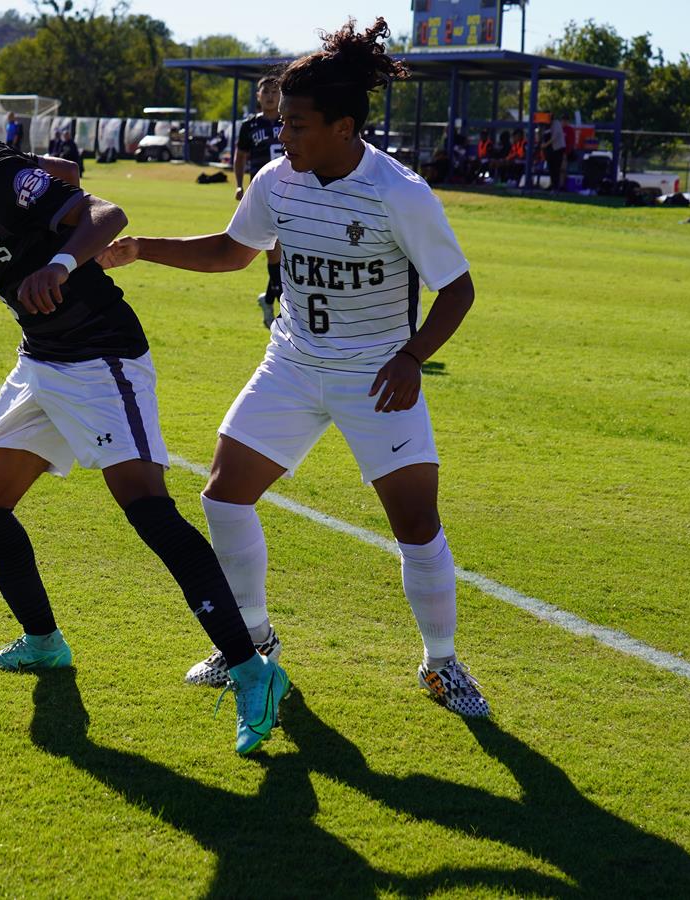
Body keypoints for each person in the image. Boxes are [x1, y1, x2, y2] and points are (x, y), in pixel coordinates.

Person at [0, 52, 289, 754]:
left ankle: (251, 670)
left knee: (149, 511)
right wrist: (53, 178)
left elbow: (104, 211)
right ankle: (43, 643)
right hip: (44, 361)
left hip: (101, 357)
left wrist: (60, 262)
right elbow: (55, 179)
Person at [100, 17, 489, 718]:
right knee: (223, 495)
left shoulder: (399, 193)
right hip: (293, 363)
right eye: (282, 124)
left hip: (376, 377)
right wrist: (142, 249)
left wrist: (410, 356)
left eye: (298, 126)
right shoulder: (281, 182)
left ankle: (441, 662)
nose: (283, 138)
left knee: (416, 525)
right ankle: (252, 643)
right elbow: (231, 251)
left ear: (344, 126)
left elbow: (457, 289)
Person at [234, 75, 286, 328]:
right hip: (262, 192)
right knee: (273, 250)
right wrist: (238, 184)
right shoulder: (249, 126)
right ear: (258, 96)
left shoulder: (289, 121)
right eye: (266, 91)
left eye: (275, 91)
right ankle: (276, 301)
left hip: (289, 190)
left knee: (286, 250)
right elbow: (240, 155)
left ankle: (271, 299)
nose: (270, 96)